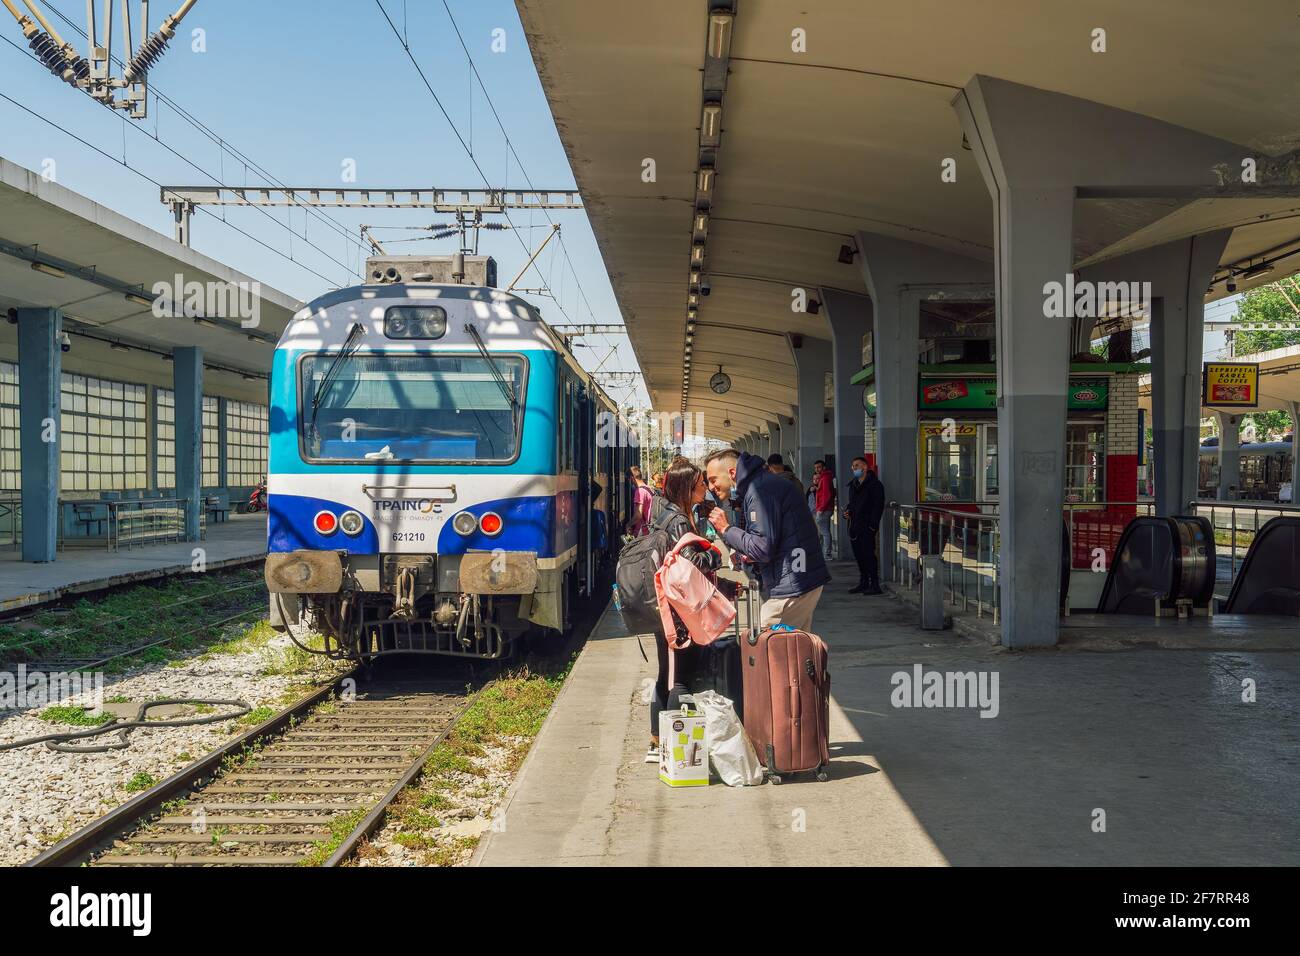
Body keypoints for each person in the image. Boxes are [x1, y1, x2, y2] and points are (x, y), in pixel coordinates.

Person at [704, 447, 829, 632]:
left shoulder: (759, 490)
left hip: (792, 582)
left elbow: (762, 547)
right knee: (796, 651)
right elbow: (771, 541)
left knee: (766, 644)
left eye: (713, 480)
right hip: (800, 576)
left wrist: (726, 529)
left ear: (732, 473)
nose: (711, 487)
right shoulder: (761, 484)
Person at [646, 458, 721, 763]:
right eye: (702, 484)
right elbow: (691, 564)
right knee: (681, 677)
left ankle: (657, 741)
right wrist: (714, 555)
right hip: (679, 610)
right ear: (688, 487)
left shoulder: (659, 511)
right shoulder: (678, 520)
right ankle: (675, 751)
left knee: (666, 672)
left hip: (663, 604)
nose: (706, 488)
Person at [843, 458, 885, 594]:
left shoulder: (875, 485)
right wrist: (847, 512)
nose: (854, 468)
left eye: (857, 466)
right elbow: (852, 504)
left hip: (867, 526)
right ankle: (864, 581)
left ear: (865, 467)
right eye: (853, 466)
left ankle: (875, 584)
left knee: (869, 555)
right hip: (854, 526)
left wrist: (873, 526)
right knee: (859, 555)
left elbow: (878, 506)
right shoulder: (853, 485)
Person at [809, 460, 836, 560]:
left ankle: (827, 554)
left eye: (819, 467)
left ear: (824, 467)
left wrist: (820, 509)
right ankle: (825, 553)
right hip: (825, 508)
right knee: (824, 532)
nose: (817, 469)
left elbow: (826, 495)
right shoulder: (825, 478)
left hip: (824, 509)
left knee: (824, 532)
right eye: (815, 468)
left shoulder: (825, 478)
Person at [626, 465, 653, 537]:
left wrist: (628, 524)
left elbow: (638, 515)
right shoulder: (648, 488)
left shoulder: (639, 491)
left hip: (643, 532)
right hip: (649, 529)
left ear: (632, 478)